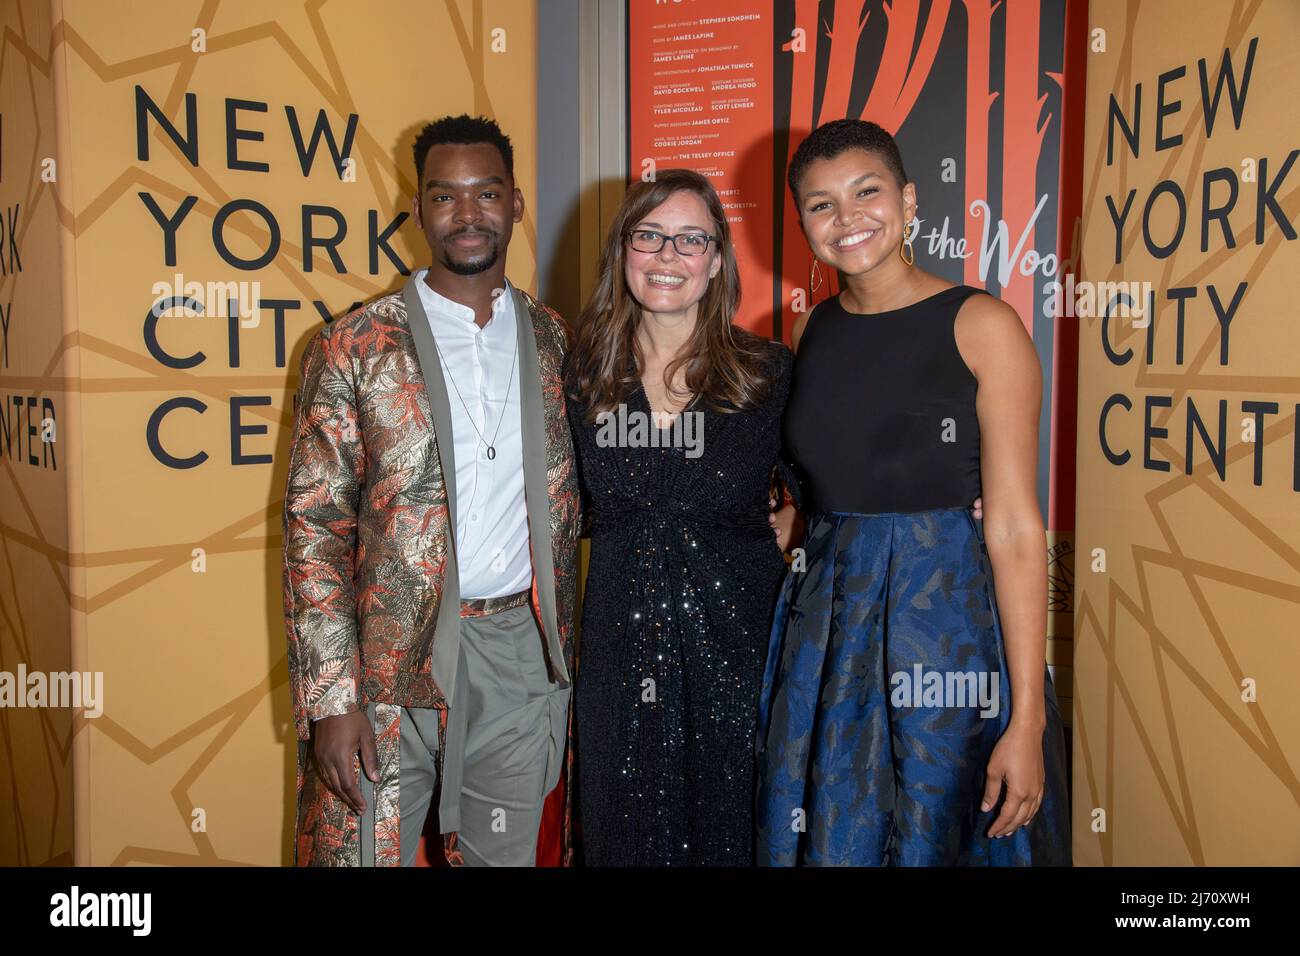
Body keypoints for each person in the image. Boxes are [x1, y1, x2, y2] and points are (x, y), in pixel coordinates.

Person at [758, 119, 1071, 865]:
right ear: (803, 223)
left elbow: (1015, 528)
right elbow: (825, 491)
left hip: (946, 634)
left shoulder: (983, 325)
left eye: (867, 192)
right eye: (822, 204)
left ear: (908, 200)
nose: (847, 218)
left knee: (938, 835)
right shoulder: (808, 329)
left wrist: (1027, 719)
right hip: (828, 639)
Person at [282, 114, 579, 867]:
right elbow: (315, 528)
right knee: (357, 855)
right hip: (385, 663)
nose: (467, 213)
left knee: (503, 857)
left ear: (516, 203)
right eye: (445, 196)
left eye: (487, 193)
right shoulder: (354, 345)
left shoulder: (555, 340)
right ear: (417, 210)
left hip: (518, 653)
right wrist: (332, 699)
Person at [565, 169, 793, 865]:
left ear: (717, 260)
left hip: (740, 656)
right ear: (622, 251)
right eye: (649, 236)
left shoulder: (768, 375)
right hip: (618, 658)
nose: (668, 256)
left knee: (735, 837)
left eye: (691, 239)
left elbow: (839, 484)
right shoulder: (579, 378)